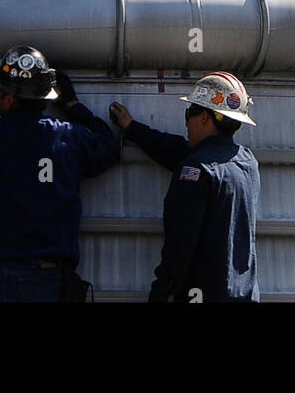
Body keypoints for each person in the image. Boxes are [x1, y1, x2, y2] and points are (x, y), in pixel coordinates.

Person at [0, 45, 120, 302]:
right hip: (44, 282)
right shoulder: (68, 137)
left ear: (9, 98)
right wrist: (72, 105)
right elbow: (109, 146)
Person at [109, 71, 260, 303]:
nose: (187, 120)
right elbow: (177, 150)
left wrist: (160, 293)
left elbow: (180, 245)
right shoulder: (247, 162)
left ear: (204, 118)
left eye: (190, 111)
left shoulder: (197, 168)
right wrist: (133, 128)